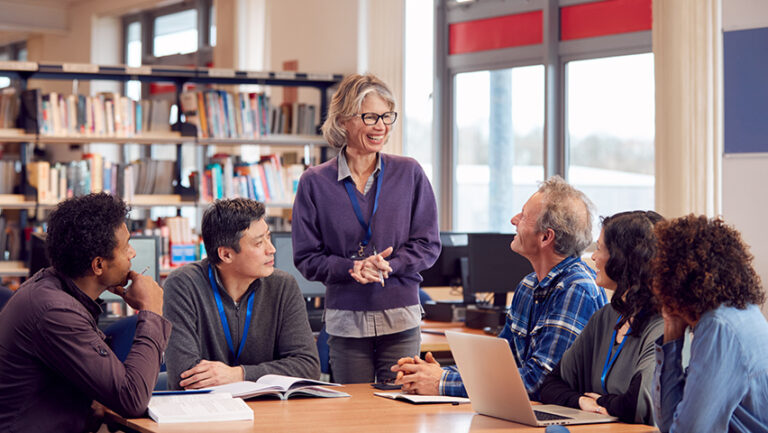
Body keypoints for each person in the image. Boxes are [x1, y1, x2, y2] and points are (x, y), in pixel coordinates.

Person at [393, 176, 607, 399]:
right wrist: (433, 374)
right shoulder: (528, 286)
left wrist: (441, 382)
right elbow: (501, 367)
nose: (513, 219)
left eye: (523, 216)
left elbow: (538, 383)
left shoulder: (576, 290)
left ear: (545, 237)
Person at [291, 73, 441, 384]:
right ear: (344, 119)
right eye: (370, 116)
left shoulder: (409, 172)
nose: (381, 126)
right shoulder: (314, 182)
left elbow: (428, 244)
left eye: (387, 116)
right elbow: (307, 257)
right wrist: (352, 268)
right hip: (346, 320)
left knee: (399, 410)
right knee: (354, 414)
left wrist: (390, 264)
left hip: (400, 315)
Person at [0, 193, 170, 432]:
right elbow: (133, 398)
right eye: (126, 247)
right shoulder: (55, 311)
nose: (132, 254)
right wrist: (151, 311)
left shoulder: (52, 288)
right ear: (98, 265)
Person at [163, 198, 319, 390]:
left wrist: (239, 374)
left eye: (268, 237)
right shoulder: (183, 285)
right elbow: (184, 375)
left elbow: (308, 367)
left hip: (268, 409)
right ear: (226, 254)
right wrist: (266, 374)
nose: (272, 249)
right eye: (259, 243)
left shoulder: (283, 286)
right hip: (206, 410)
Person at [539, 211, 664, 425]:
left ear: (624, 259)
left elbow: (640, 405)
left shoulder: (664, 324)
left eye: (599, 248)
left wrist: (605, 401)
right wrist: (581, 401)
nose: (594, 257)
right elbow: (550, 385)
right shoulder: (606, 318)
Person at [651, 215, 768, 432]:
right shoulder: (739, 312)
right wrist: (672, 331)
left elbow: (689, 429)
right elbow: (669, 423)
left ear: (676, 278)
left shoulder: (719, 328)